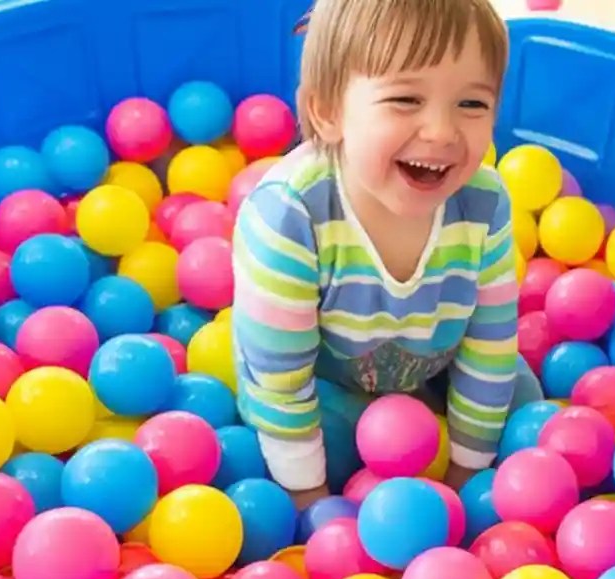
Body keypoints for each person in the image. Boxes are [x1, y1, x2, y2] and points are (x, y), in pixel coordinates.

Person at [232, 0, 544, 508]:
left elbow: (488, 344)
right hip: (325, 382)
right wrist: (312, 502)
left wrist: (467, 478)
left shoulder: (485, 203)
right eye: (405, 99)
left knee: (528, 420)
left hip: (435, 366)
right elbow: (281, 380)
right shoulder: (290, 217)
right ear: (327, 112)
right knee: (311, 454)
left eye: (472, 105)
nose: (442, 131)